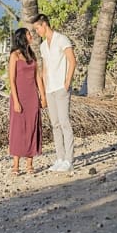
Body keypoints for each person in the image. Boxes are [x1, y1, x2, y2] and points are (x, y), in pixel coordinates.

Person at [32, 12, 76, 173]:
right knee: (55, 124)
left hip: (61, 87)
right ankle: (60, 158)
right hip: (50, 88)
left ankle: (69, 160)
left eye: (37, 28)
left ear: (44, 25)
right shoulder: (43, 46)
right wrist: (43, 91)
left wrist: (67, 82)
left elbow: (72, 61)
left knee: (64, 122)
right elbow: (44, 69)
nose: (37, 32)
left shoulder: (62, 39)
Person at [8, 27, 46, 175]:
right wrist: (16, 101)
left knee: (32, 127)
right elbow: (11, 80)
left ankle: (30, 163)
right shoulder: (14, 55)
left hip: (32, 96)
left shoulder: (32, 54)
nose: (31, 35)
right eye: (29, 34)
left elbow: (37, 77)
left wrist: (43, 96)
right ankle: (16, 164)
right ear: (23, 37)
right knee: (17, 129)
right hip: (19, 96)